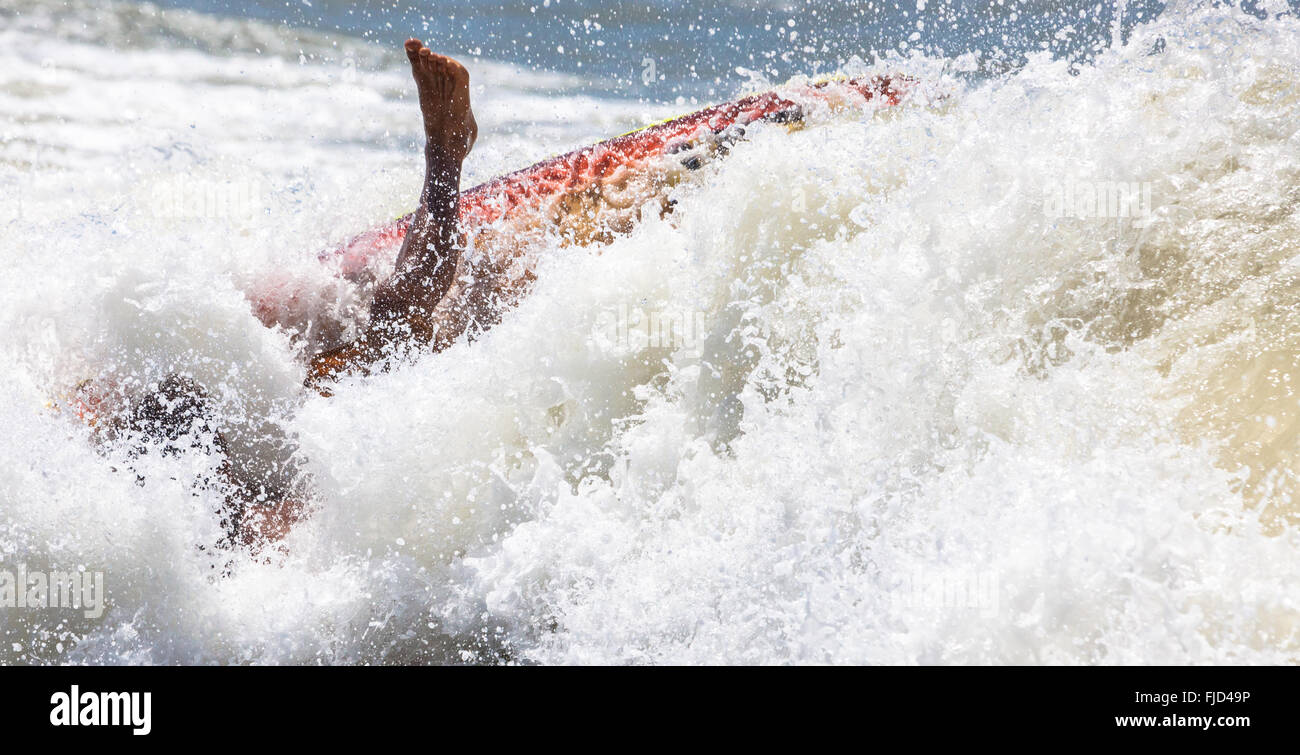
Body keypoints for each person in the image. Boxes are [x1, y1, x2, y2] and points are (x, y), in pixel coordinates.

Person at [123, 40, 480, 549]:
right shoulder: (261, 547)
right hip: (351, 451)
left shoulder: (197, 534)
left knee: (372, 328)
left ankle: (445, 173)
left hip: (295, 445)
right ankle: (445, 157)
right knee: (395, 321)